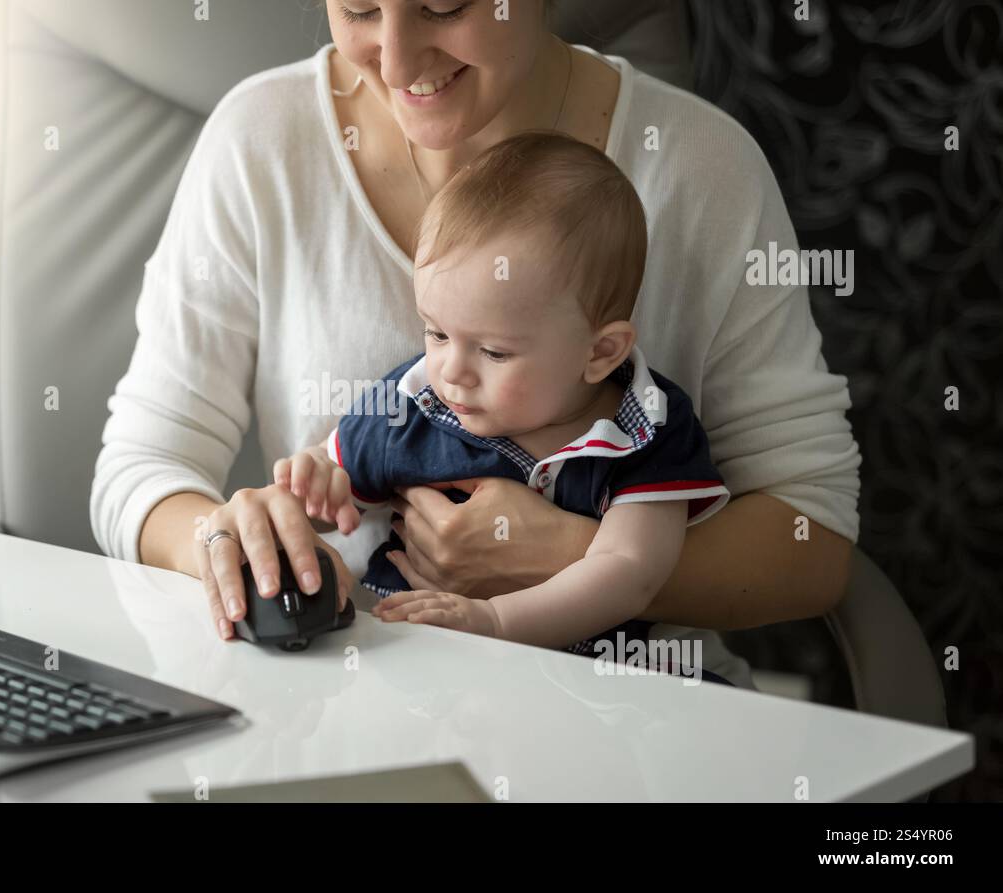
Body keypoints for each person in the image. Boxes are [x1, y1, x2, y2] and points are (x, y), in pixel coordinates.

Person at [90, 1, 861, 689]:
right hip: (376, 693)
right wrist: (236, 542)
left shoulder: (701, 166)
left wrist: (578, 559)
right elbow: (142, 464)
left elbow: (813, 531)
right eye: (359, 9)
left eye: (443, 6)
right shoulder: (260, 140)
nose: (395, 63)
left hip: (641, 711)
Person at [275, 129, 733, 677]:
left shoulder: (647, 429)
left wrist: (494, 620)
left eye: (493, 351)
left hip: (594, 690)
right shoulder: (413, 401)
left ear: (600, 352)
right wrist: (316, 483)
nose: (452, 369)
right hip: (415, 670)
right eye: (437, 333)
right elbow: (335, 498)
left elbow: (631, 572)